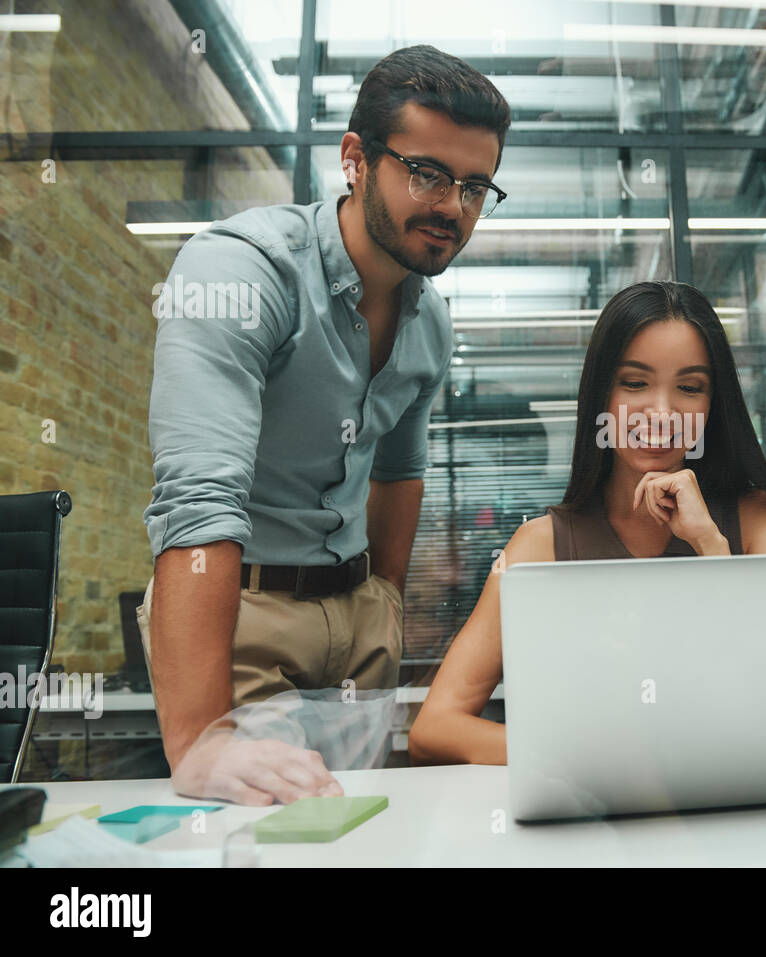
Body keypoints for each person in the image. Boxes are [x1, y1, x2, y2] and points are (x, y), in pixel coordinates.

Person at [138, 45, 510, 804]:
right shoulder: (240, 274)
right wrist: (200, 739)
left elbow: (401, 473)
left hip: (359, 623)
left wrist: (387, 608)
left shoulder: (428, 320)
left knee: (362, 831)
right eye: (427, 172)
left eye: (474, 185)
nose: (451, 206)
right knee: (270, 837)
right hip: (245, 614)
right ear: (355, 159)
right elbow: (198, 499)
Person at [409, 281, 766, 765]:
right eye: (634, 383)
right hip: (589, 816)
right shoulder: (538, 548)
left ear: (713, 407)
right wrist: (588, 758)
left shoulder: (755, 525)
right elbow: (434, 727)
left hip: (730, 806)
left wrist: (710, 545)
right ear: (601, 394)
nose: (661, 413)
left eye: (690, 388)